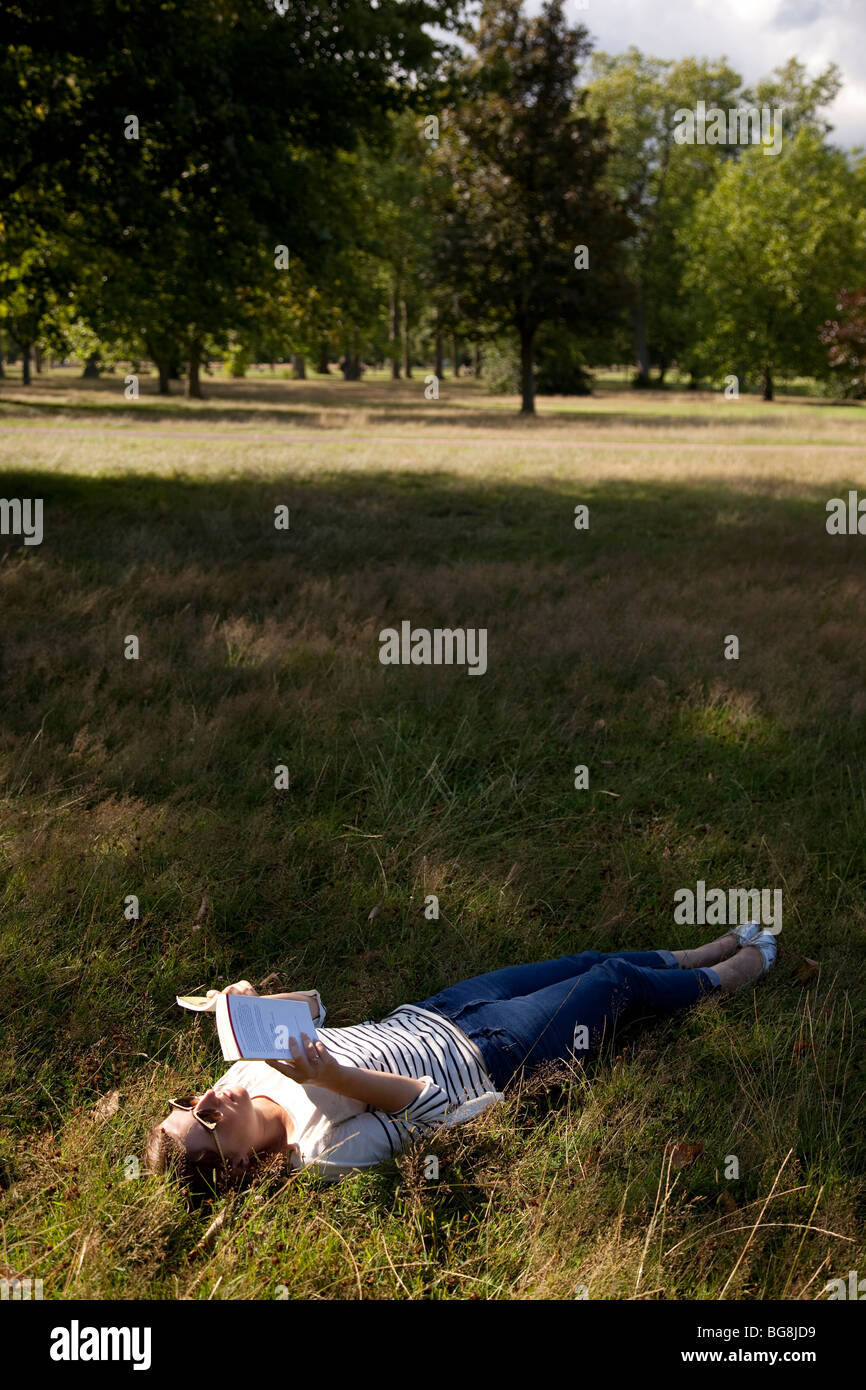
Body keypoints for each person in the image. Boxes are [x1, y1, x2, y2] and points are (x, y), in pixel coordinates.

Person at [146, 925, 777, 1188]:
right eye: (204, 1123)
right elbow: (431, 1107)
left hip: (438, 1010)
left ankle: (694, 956)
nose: (205, 1100)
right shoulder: (319, 1155)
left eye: (186, 1103)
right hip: (492, 1056)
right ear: (235, 1169)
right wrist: (328, 1074)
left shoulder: (242, 1070)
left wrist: (256, 1000)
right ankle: (728, 976)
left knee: (584, 963)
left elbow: (312, 1008)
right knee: (614, 983)